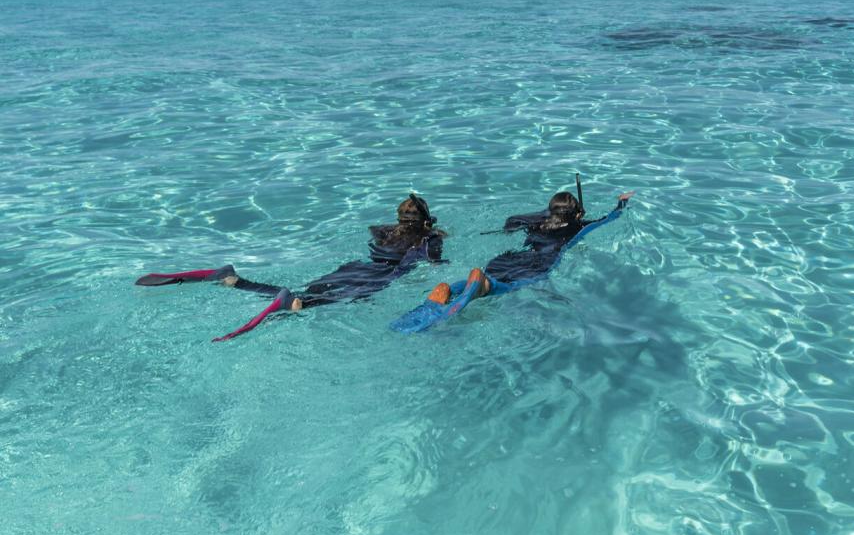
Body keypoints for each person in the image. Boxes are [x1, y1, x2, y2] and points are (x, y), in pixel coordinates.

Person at [135, 194, 447, 340]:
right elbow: (425, 262)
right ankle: (286, 301)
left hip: (353, 267)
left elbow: (374, 232)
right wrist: (435, 244)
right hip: (378, 275)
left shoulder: (384, 231)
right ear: (425, 221)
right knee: (315, 301)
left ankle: (235, 280)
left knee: (306, 292)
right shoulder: (428, 238)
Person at [425, 189, 633, 305]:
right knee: (506, 287)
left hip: (510, 258)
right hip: (540, 264)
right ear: (577, 214)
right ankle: (481, 287)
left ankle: (453, 289)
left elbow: (511, 222)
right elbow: (608, 219)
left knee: (492, 277)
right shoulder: (578, 227)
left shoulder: (536, 223)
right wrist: (621, 203)